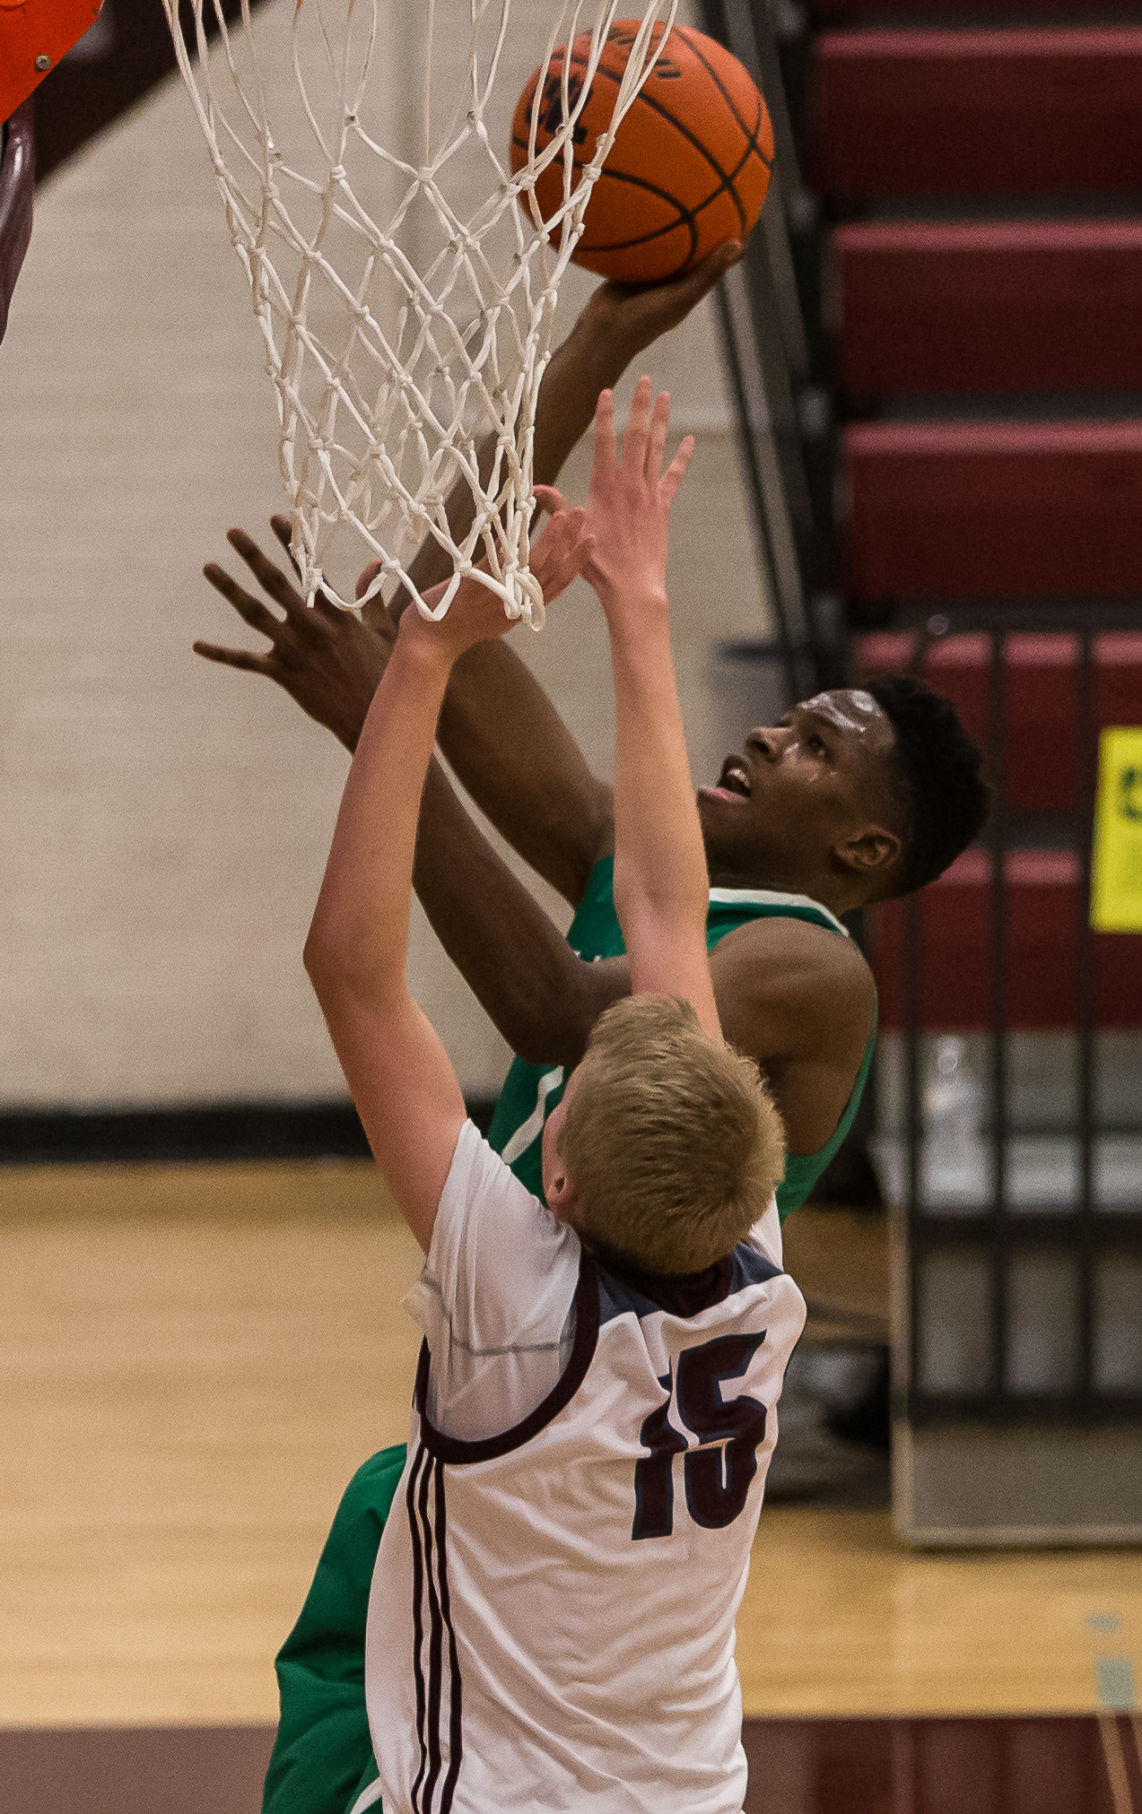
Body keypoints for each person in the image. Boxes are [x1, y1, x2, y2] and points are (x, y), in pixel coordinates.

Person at [197, 267, 989, 1814]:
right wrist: (601, 338)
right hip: (599, 1491)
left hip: (541, 1399)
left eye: (815, 746)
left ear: (864, 853)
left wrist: (389, 711)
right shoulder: (748, 1249)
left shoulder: (810, 975)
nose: (768, 734)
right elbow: (451, 621)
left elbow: (556, 1012)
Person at [302, 377, 802, 1812]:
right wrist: (633, 606)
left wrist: (425, 654)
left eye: (559, 1098)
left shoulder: (515, 1303)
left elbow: (352, 965)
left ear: (557, 1181)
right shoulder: (748, 1260)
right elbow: (659, 898)